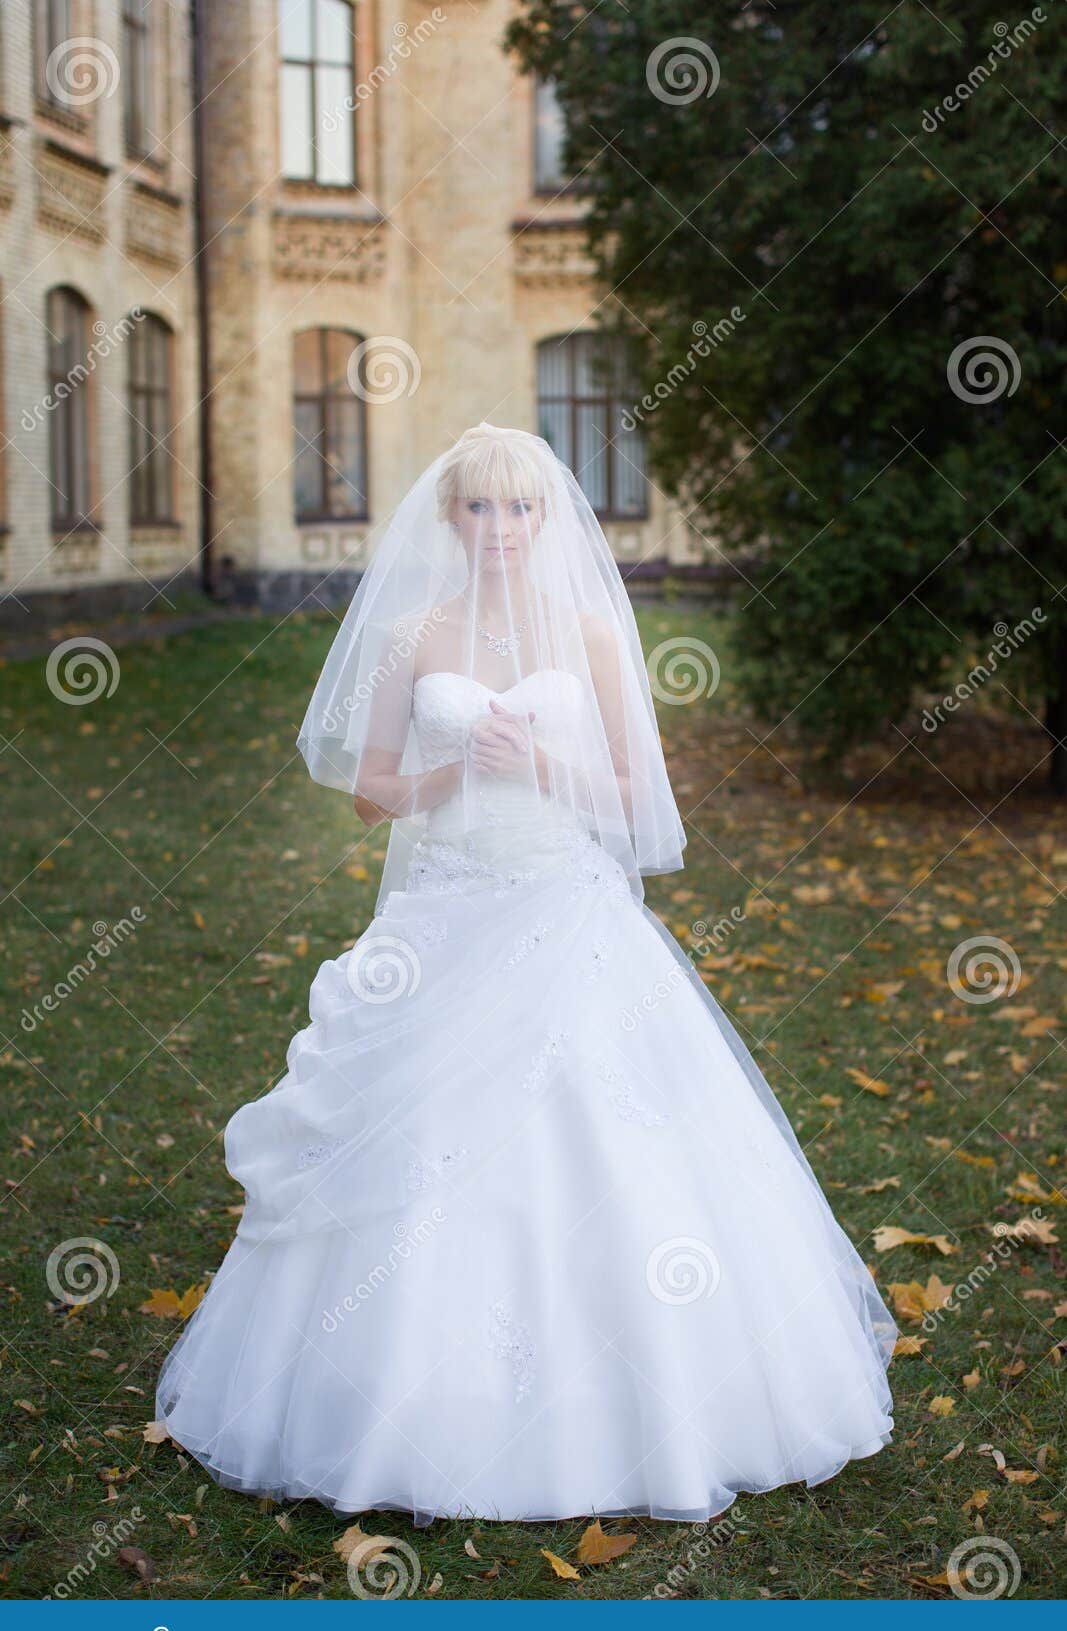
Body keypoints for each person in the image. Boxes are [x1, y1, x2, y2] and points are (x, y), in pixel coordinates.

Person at [156, 422, 896, 1526]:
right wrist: (447, 768)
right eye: (477, 509)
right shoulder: (415, 633)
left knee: (613, 1129)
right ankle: (403, 1392)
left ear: (545, 520)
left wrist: (539, 760)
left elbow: (634, 802)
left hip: (564, 908)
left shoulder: (590, 632)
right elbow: (367, 793)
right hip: (445, 911)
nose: (498, 529)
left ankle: (656, 1387)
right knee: (421, 1143)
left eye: (518, 509)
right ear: (447, 518)